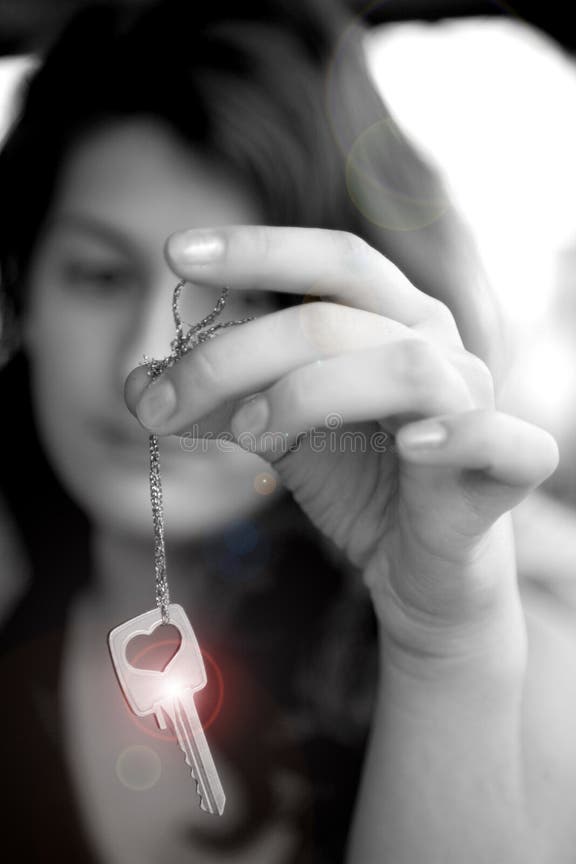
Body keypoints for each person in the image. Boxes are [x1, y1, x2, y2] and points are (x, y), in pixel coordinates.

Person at [0, 1, 565, 862]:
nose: (152, 361)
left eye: (237, 306)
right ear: (22, 293)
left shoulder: (506, 651)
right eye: (100, 274)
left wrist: (442, 646)